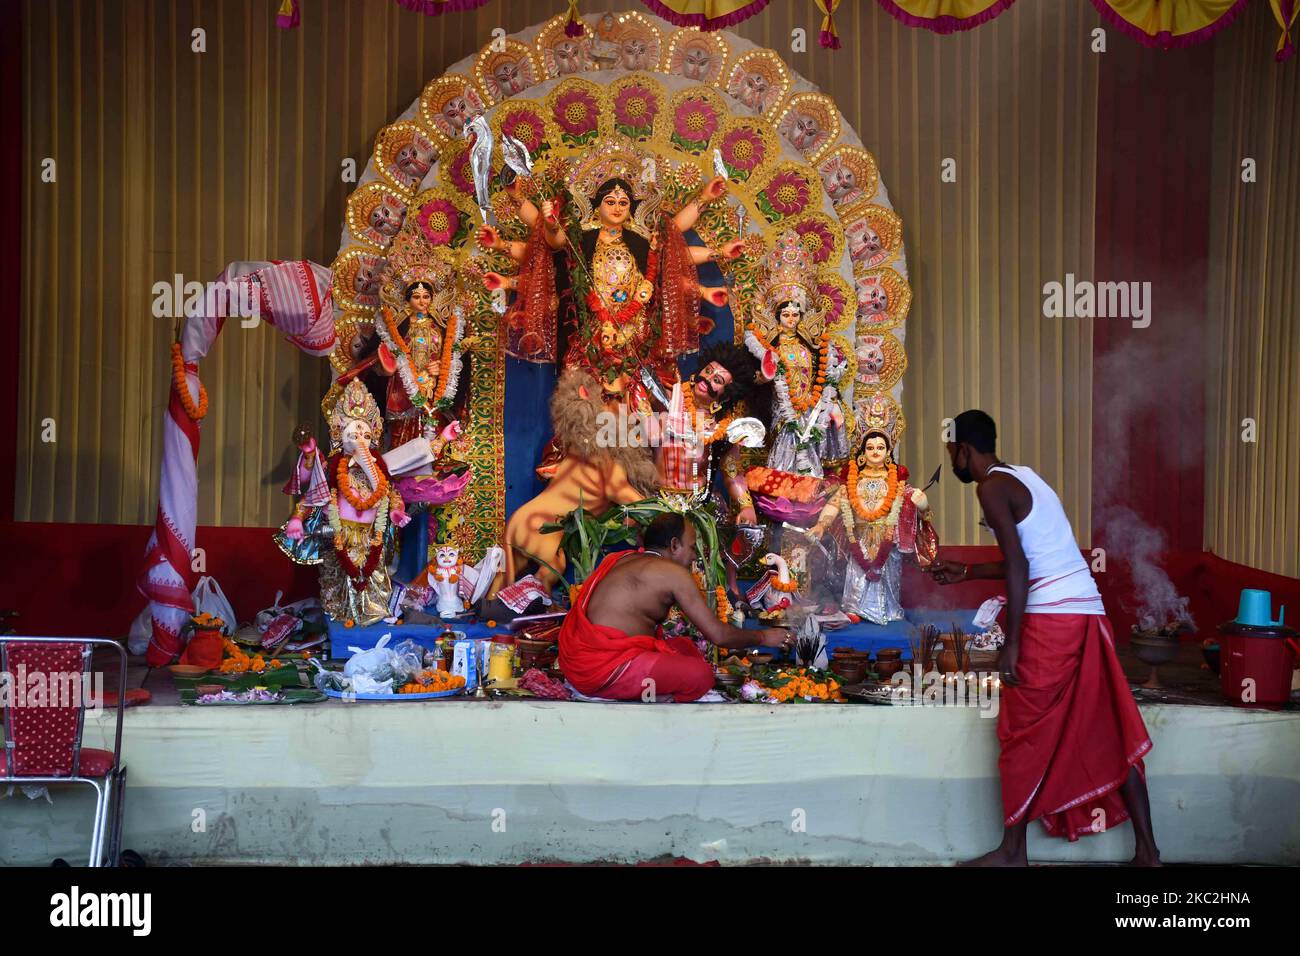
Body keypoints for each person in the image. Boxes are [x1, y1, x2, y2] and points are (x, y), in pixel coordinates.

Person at [929, 410, 1159, 866]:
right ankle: (1148, 854)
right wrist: (968, 573)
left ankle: (1013, 853)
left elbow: (1020, 566)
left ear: (963, 450)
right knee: (1107, 727)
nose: (951, 460)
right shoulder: (1025, 476)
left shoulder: (990, 487)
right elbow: (1034, 557)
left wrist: (1011, 644)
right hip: (1086, 615)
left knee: (1020, 733)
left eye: (951, 452)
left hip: (1053, 622)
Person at [559, 513, 790, 702]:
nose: (694, 556)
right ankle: (657, 702)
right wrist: (764, 637)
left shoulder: (621, 560)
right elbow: (718, 635)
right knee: (700, 675)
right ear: (674, 545)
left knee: (684, 647)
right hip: (606, 670)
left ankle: (654, 691)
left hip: (583, 664)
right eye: (691, 548)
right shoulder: (672, 572)